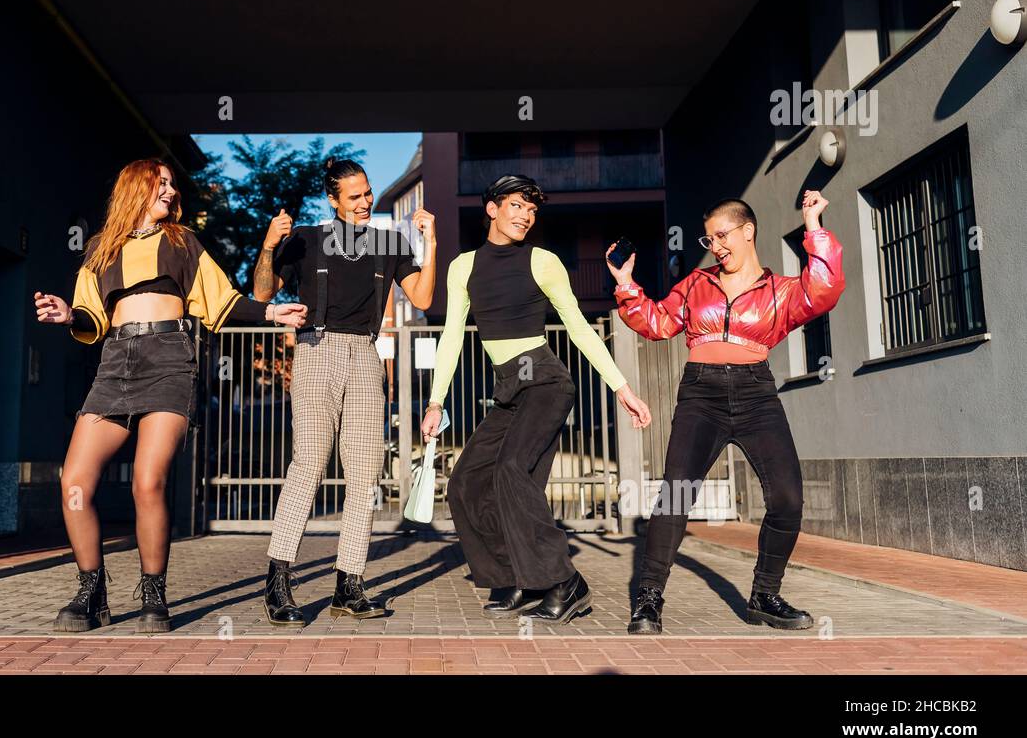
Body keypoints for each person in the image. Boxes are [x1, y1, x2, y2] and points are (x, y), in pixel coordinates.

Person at [33, 158, 307, 633]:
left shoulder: (182, 242)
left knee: (147, 480)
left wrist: (270, 312)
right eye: (160, 182)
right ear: (136, 188)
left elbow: (221, 301)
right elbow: (89, 316)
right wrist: (67, 316)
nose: (169, 190)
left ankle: (154, 595)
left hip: (168, 359)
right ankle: (91, 589)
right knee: (74, 482)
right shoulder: (100, 249)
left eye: (171, 184)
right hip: (115, 363)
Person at [420, 175, 652, 625]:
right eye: (516, 206)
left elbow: (580, 327)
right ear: (492, 208)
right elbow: (450, 337)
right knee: (466, 482)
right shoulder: (463, 267)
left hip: (546, 383)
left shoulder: (543, 261)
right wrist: (435, 402)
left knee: (511, 471)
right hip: (509, 390)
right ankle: (510, 576)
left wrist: (621, 386)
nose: (526, 216)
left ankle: (565, 581)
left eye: (532, 210)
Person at [610, 190, 843, 634]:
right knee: (676, 496)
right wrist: (626, 285)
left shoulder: (781, 290)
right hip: (701, 395)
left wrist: (813, 226)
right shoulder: (697, 285)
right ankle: (648, 600)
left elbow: (824, 290)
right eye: (708, 240)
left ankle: (764, 596)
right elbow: (658, 322)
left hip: (757, 394)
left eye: (721, 236)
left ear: (748, 231)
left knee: (788, 498)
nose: (715, 246)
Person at [252, 157, 436, 625]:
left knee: (365, 472)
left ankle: (348, 585)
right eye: (353, 196)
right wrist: (270, 245)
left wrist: (429, 243)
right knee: (310, 460)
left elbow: (423, 298)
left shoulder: (389, 242)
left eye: (367, 193)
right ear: (332, 200)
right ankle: (278, 581)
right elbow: (262, 292)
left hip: (366, 356)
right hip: (316, 350)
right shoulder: (308, 239)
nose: (364, 202)